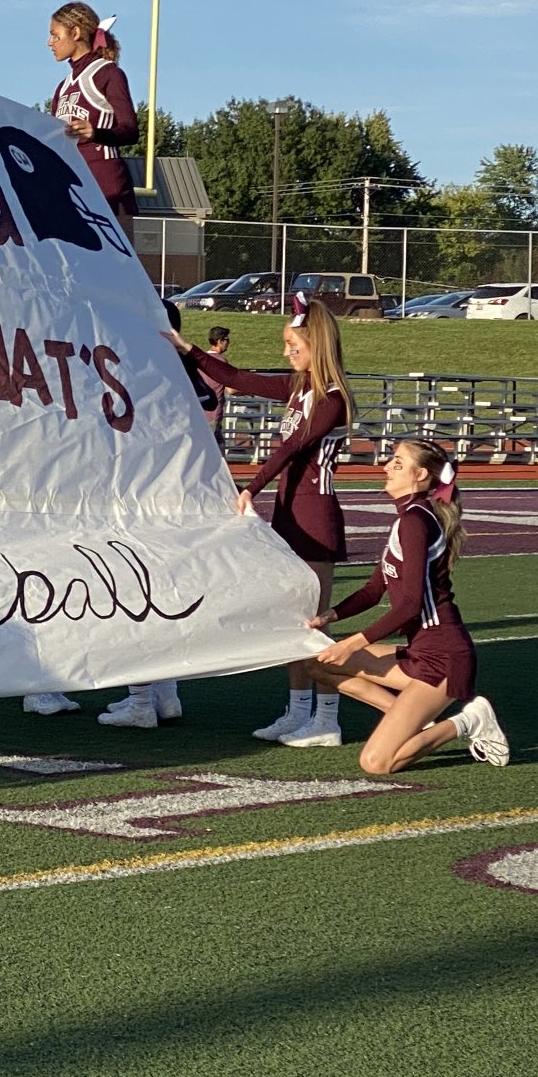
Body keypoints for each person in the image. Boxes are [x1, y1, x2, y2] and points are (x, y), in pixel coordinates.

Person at [168, 295, 352, 745]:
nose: (286, 354)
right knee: (294, 619)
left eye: (293, 346)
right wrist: (184, 346)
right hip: (289, 515)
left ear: (317, 344)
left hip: (315, 518)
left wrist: (250, 485)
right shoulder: (299, 388)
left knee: (315, 622)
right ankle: (297, 711)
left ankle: (327, 718)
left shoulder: (330, 398)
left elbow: (292, 449)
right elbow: (237, 378)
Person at [305, 439, 506, 773]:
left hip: (444, 659)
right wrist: (331, 615)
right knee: (317, 664)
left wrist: (353, 642)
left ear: (421, 475)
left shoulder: (416, 521)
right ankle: (414, 719)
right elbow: (373, 590)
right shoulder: (408, 518)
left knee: (376, 762)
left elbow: (410, 606)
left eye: (397, 463)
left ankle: (468, 721)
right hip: (421, 653)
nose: (386, 467)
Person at [94, 301, 219, 728]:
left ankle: (141, 698)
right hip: (183, 492)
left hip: (146, 493)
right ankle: (166, 693)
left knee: (136, 596)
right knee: (166, 594)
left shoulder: (147, 369)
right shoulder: (187, 373)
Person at [46, 2, 137, 241]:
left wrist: (95, 133)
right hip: (73, 184)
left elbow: (130, 131)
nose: (50, 43)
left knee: (118, 268)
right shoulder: (62, 87)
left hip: (106, 184)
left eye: (55, 36)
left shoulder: (108, 73)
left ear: (75, 33)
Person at [202, 326, 232, 448]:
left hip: (199, 413)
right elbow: (232, 389)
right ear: (220, 341)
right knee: (215, 451)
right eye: (227, 339)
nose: (228, 343)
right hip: (214, 415)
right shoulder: (221, 362)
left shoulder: (201, 359)